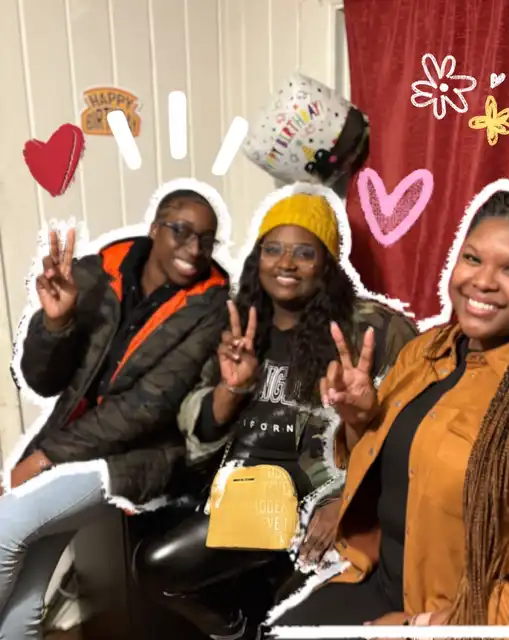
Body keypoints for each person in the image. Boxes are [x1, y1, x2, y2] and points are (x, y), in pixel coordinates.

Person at [273, 185, 509, 628]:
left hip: (469, 619)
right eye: (473, 258)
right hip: (379, 580)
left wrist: (426, 627)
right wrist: (360, 420)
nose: (482, 281)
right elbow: (400, 475)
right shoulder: (429, 350)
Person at [132, 192, 418, 638]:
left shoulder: (373, 328)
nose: (286, 263)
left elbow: (411, 429)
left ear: (327, 264)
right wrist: (231, 389)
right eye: (273, 249)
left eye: (304, 253)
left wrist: (348, 500)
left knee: (292, 618)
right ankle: (236, 631)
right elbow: (193, 422)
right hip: (243, 492)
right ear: (257, 258)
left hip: (317, 495)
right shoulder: (231, 321)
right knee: (154, 565)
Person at [0, 187, 230, 639]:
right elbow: (42, 380)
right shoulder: (100, 273)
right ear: (155, 228)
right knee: (26, 585)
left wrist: (45, 458)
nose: (194, 249)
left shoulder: (212, 308)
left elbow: (146, 408)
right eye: (182, 231)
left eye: (206, 239)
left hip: (141, 458)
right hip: (74, 443)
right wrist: (56, 323)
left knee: (7, 527)